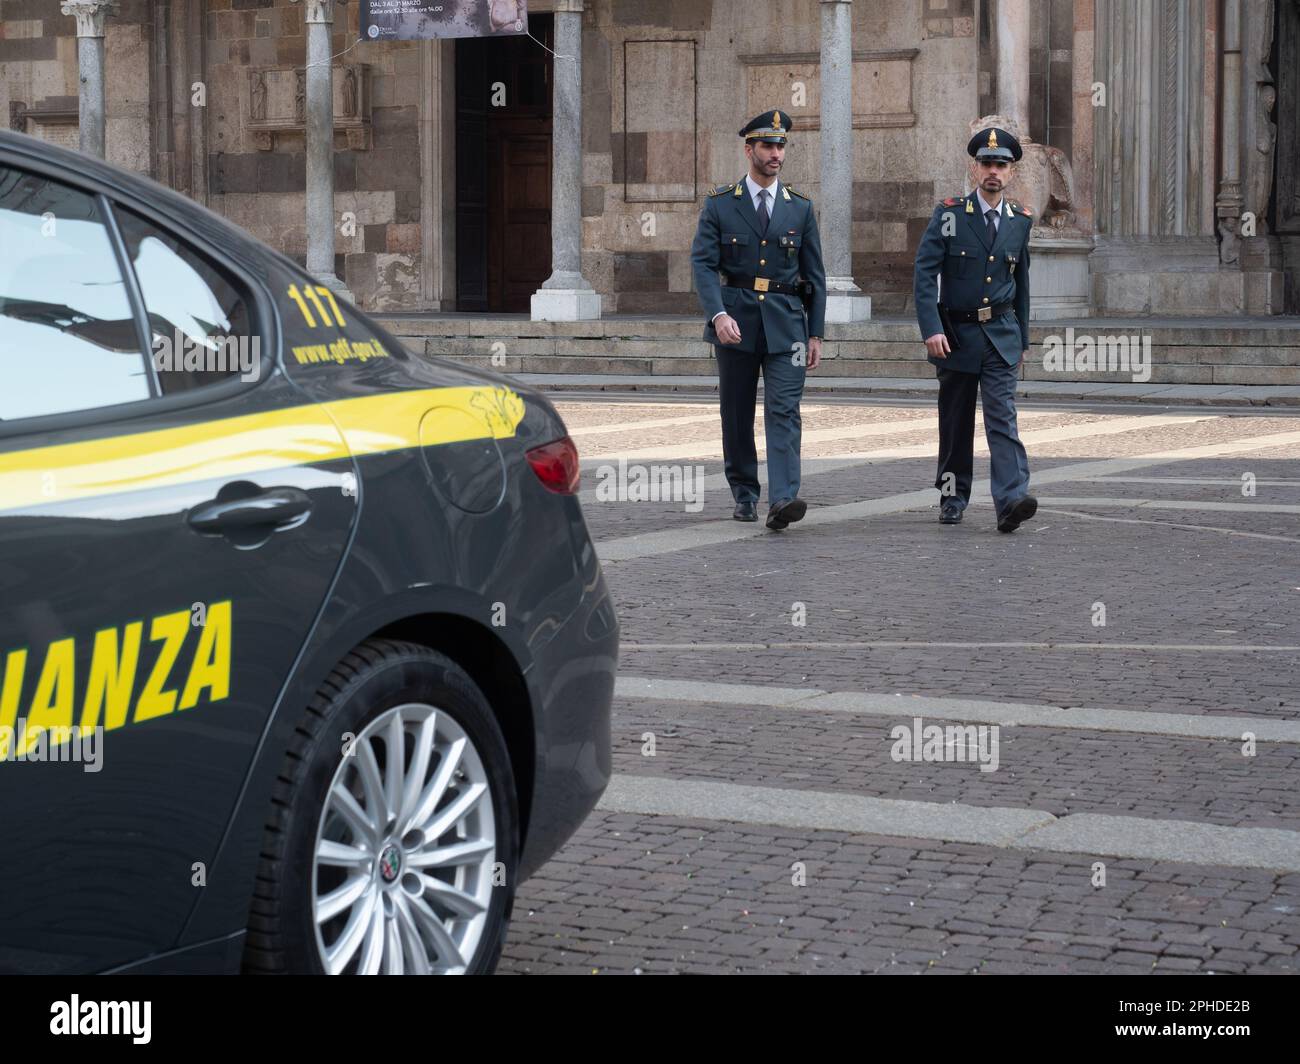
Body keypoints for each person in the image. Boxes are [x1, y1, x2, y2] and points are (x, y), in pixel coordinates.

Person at [690, 108, 827, 532]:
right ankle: (745, 492)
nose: (775, 153)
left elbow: (815, 275)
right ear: (749, 149)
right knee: (737, 411)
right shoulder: (720, 204)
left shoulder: (800, 209)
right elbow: (702, 264)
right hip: (736, 322)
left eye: (781, 145)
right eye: (767, 145)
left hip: (788, 324)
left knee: (785, 409)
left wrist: (817, 332)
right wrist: (718, 315)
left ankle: (784, 497)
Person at [913, 126, 1038, 533]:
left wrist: (1022, 337)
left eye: (1001, 165)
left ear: (1011, 173)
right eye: (987, 164)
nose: (994, 172)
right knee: (956, 421)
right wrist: (931, 328)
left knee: (1003, 419)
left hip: (1001, 335)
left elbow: (1021, 285)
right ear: (974, 168)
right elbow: (924, 273)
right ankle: (952, 496)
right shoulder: (949, 215)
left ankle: (1011, 500)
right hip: (955, 336)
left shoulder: (1020, 221)